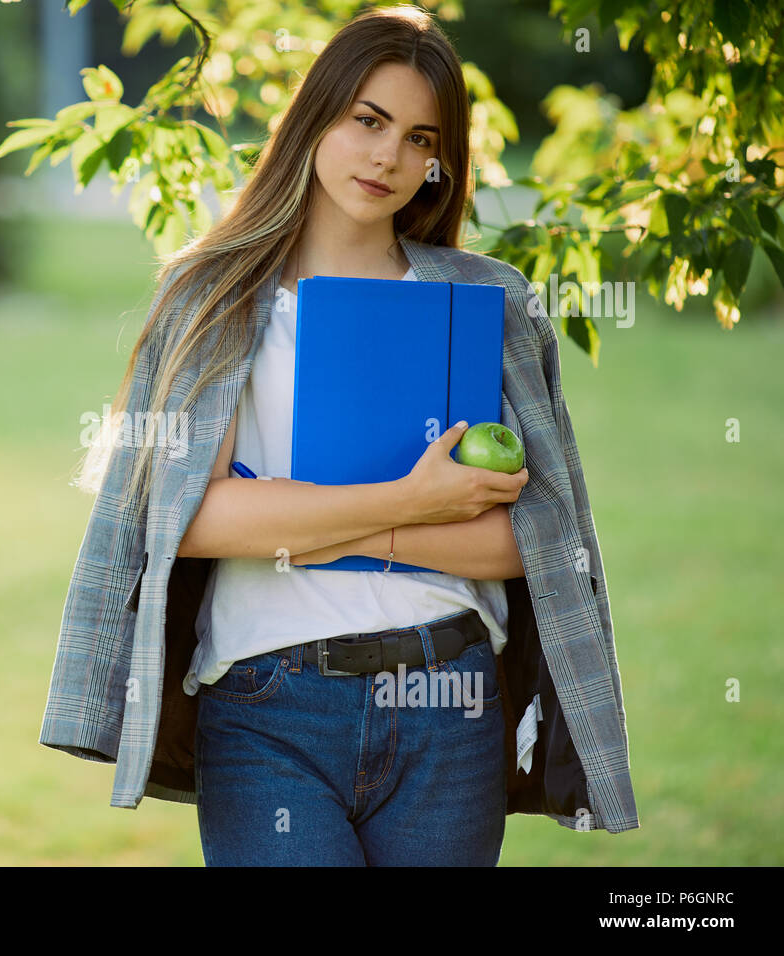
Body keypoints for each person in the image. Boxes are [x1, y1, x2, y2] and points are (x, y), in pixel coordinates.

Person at [40, 3, 639, 865]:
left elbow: (532, 541)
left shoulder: (487, 303)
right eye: (369, 120)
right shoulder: (210, 295)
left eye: (421, 139)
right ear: (316, 115)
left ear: (440, 162)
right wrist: (418, 505)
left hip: (450, 702)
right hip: (267, 706)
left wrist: (320, 524)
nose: (389, 157)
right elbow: (188, 520)